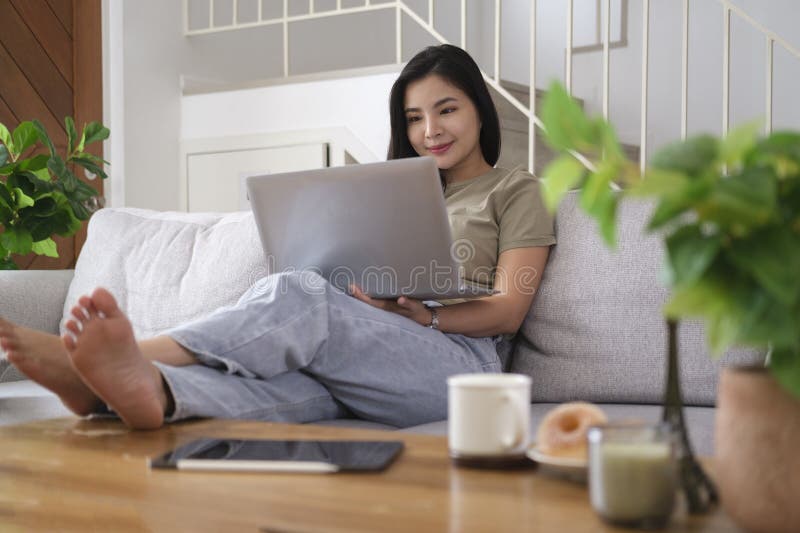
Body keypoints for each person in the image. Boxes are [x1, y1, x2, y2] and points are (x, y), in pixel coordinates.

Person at [0, 44, 555, 430]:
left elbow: (508, 310)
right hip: (370, 345)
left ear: (480, 110)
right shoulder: (394, 189)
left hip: (462, 364)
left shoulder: (516, 189)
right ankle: (137, 394)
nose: (429, 131)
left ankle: (129, 355)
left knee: (301, 294)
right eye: (413, 118)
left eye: (446, 110)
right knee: (287, 389)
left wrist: (425, 317)